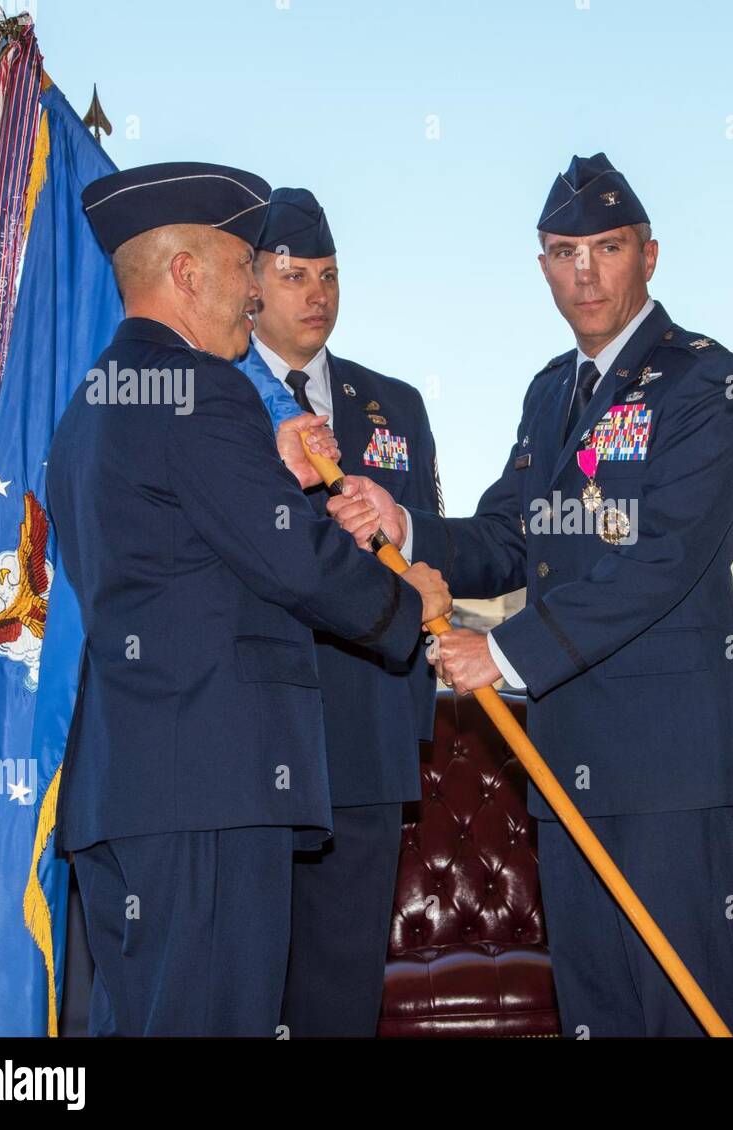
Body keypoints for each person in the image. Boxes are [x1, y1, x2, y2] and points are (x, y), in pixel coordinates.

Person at [331, 153, 733, 1036]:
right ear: (543, 268)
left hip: (670, 766)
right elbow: (509, 539)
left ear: (649, 254)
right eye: (565, 251)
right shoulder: (548, 395)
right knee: (596, 1010)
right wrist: (402, 523)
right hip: (566, 758)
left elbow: (660, 560)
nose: (586, 272)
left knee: (678, 1007)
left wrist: (502, 651)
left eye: (607, 247)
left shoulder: (704, 381)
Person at [46, 161, 450, 1036]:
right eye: (242, 269)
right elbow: (294, 562)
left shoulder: (91, 405)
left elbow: (179, 550)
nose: (252, 298)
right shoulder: (203, 389)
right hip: (213, 798)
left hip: (130, 793)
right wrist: (409, 600)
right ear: (187, 273)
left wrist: (271, 468)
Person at [235, 187, 442, 1035]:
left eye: (328, 275)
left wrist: (412, 722)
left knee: (342, 993)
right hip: (249, 736)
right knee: (245, 988)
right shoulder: (218, 399)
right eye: (293, 276)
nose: (316, 294)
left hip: (365, 732)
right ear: (251, 284)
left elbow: (424, 559)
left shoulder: (393, 405)